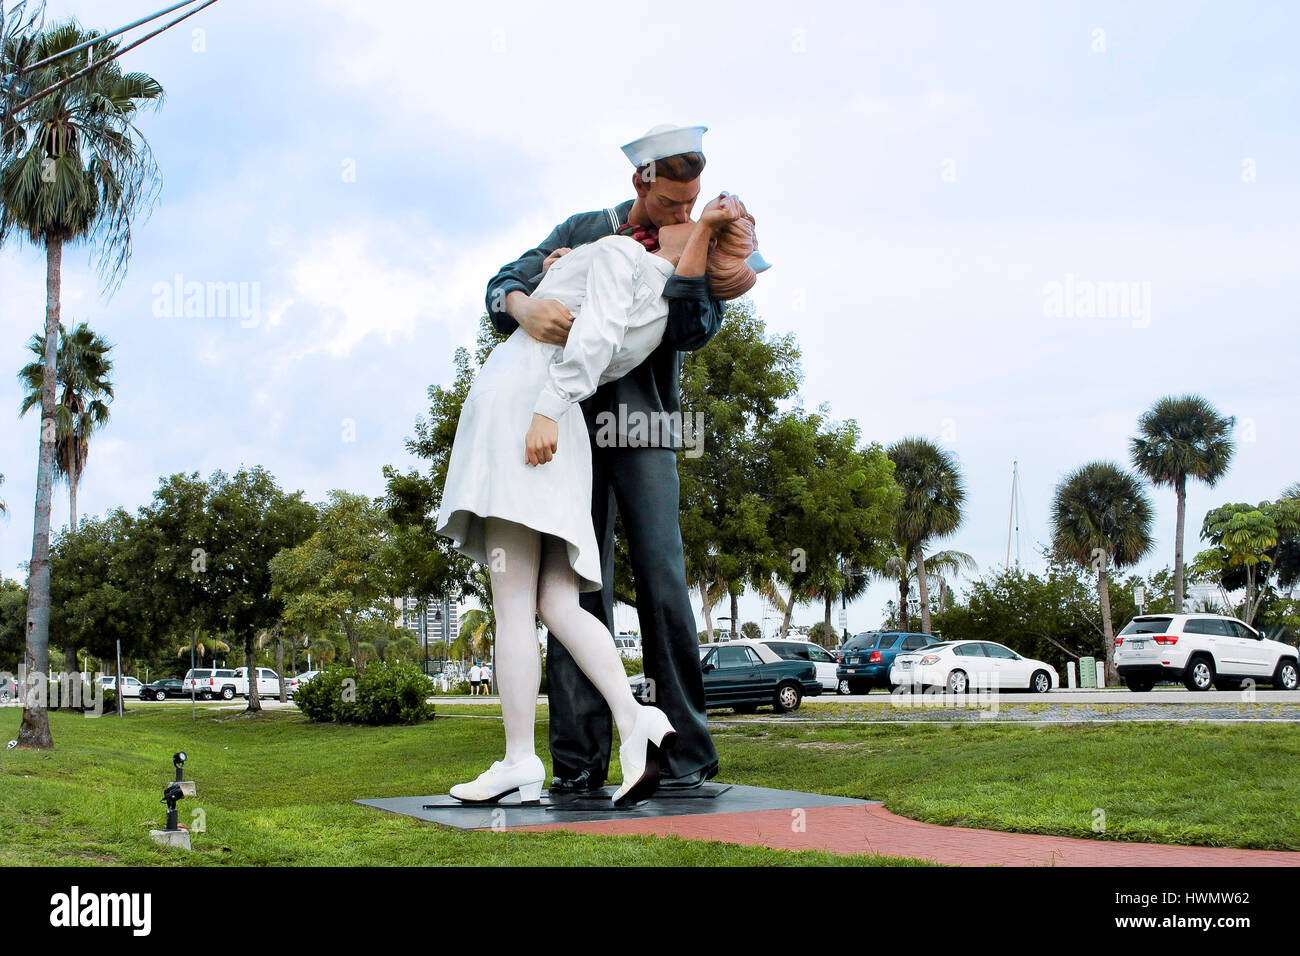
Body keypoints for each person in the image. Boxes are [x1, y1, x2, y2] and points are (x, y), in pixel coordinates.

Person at [438, 189, 762, 806]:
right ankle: (579, 758)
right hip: (569, 419)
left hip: (622, 423)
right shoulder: (589, 228)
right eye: (674, 199)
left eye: (691, 204)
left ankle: (680, 752)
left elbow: (690, 328)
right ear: (642, 183)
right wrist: (525, 304)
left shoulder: (681, 255)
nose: (682, 210)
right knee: (578, 591)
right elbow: (505, 282)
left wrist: (689, 259)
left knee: (658, 580)